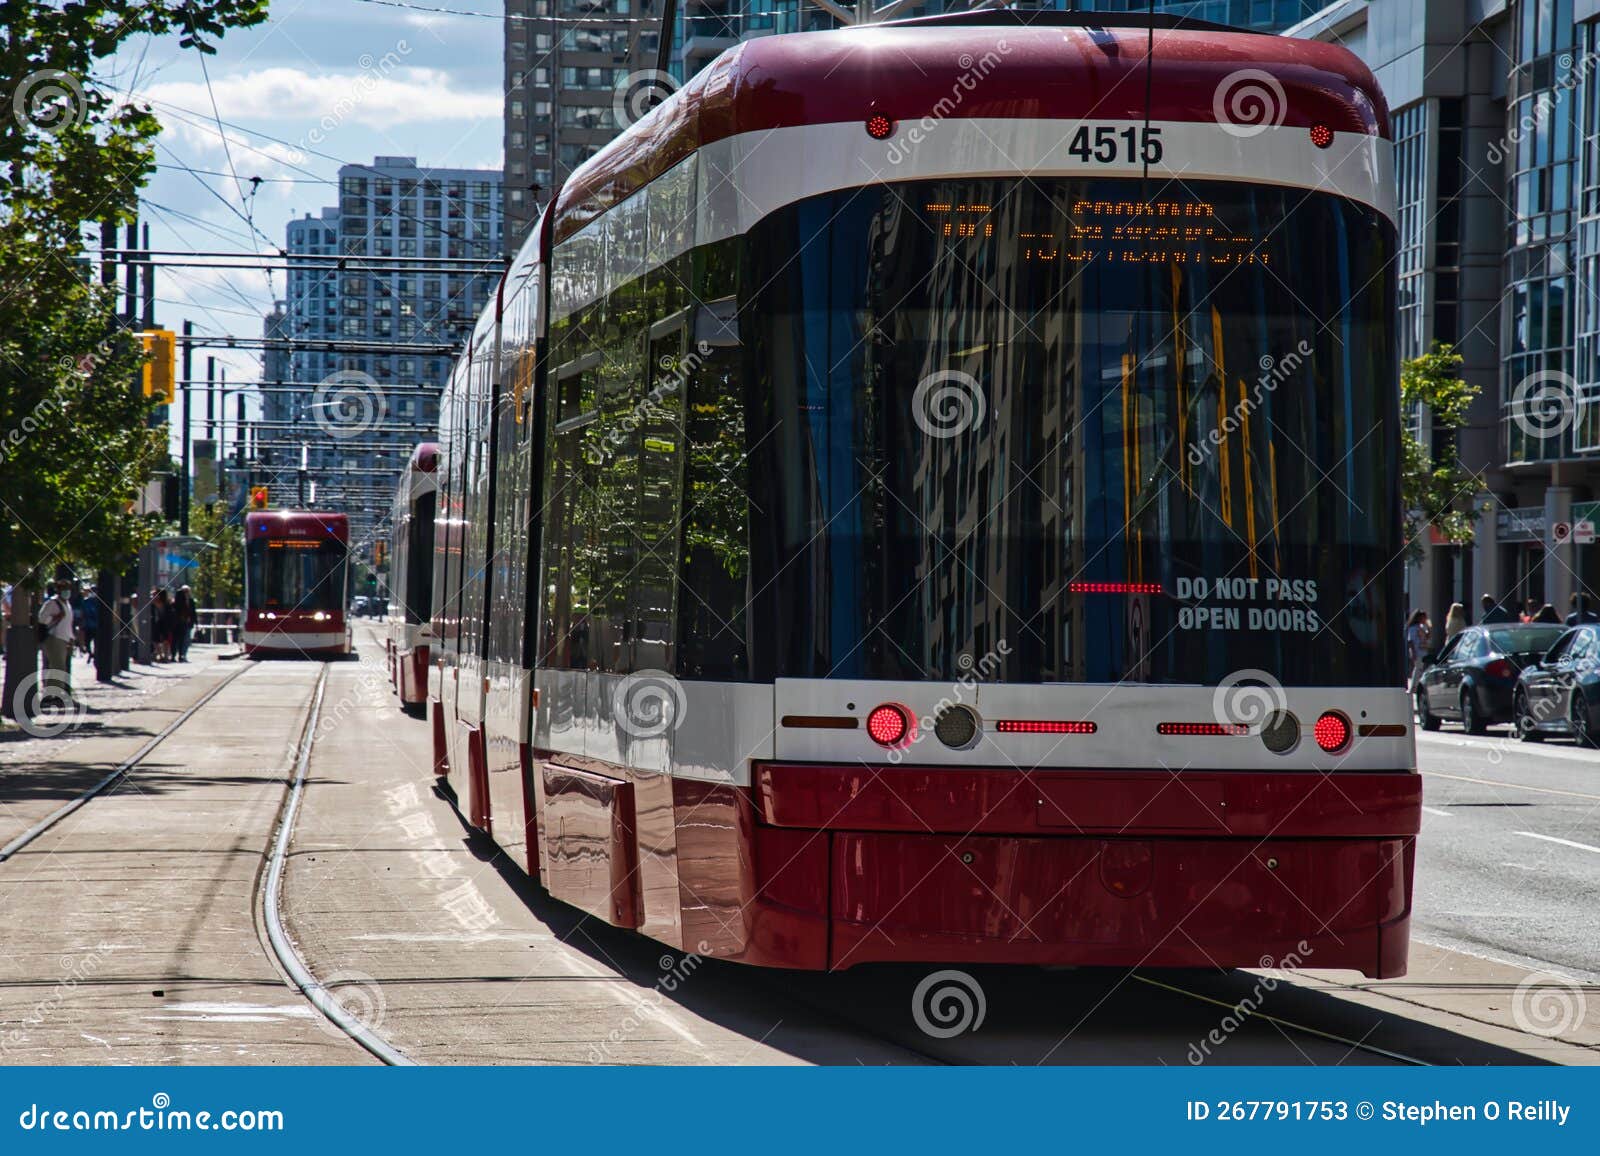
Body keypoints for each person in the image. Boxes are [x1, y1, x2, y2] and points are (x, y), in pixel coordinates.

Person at [37, 579, 75, 704]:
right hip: (54, 638)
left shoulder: (67, 603)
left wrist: (71, 638)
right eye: (64, 588)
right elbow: (42, 618)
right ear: (58, 590)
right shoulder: (53, 603)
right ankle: (52, 694)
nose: (67, 591)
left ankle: (56, 693)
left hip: (65, 638)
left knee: (60, 667)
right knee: (57, 666)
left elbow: (68, 624)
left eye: (68, 588)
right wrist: (54, 617)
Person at [1405, 609, 1432, 690]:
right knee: (1418, 669)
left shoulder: (1422, 627)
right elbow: (1411, 641)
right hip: (1417, 651)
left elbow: (1427, 637)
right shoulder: (1413, 628)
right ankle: (1414, 686)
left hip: (1423, 650)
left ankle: (1419, 686)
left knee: (1422, 669)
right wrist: (1413, 652)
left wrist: (1429, 628)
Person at [173, 585, 196, 662]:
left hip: (188, 623)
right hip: (179, 624)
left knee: (186, 640)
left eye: (187, 591)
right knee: (178, 640)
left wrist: (196, 622)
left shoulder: (191, 601)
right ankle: (176, 655)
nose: (186, 593)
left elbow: (193, 612)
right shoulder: (177, 601)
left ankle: (183, 655)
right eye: (184, 591)